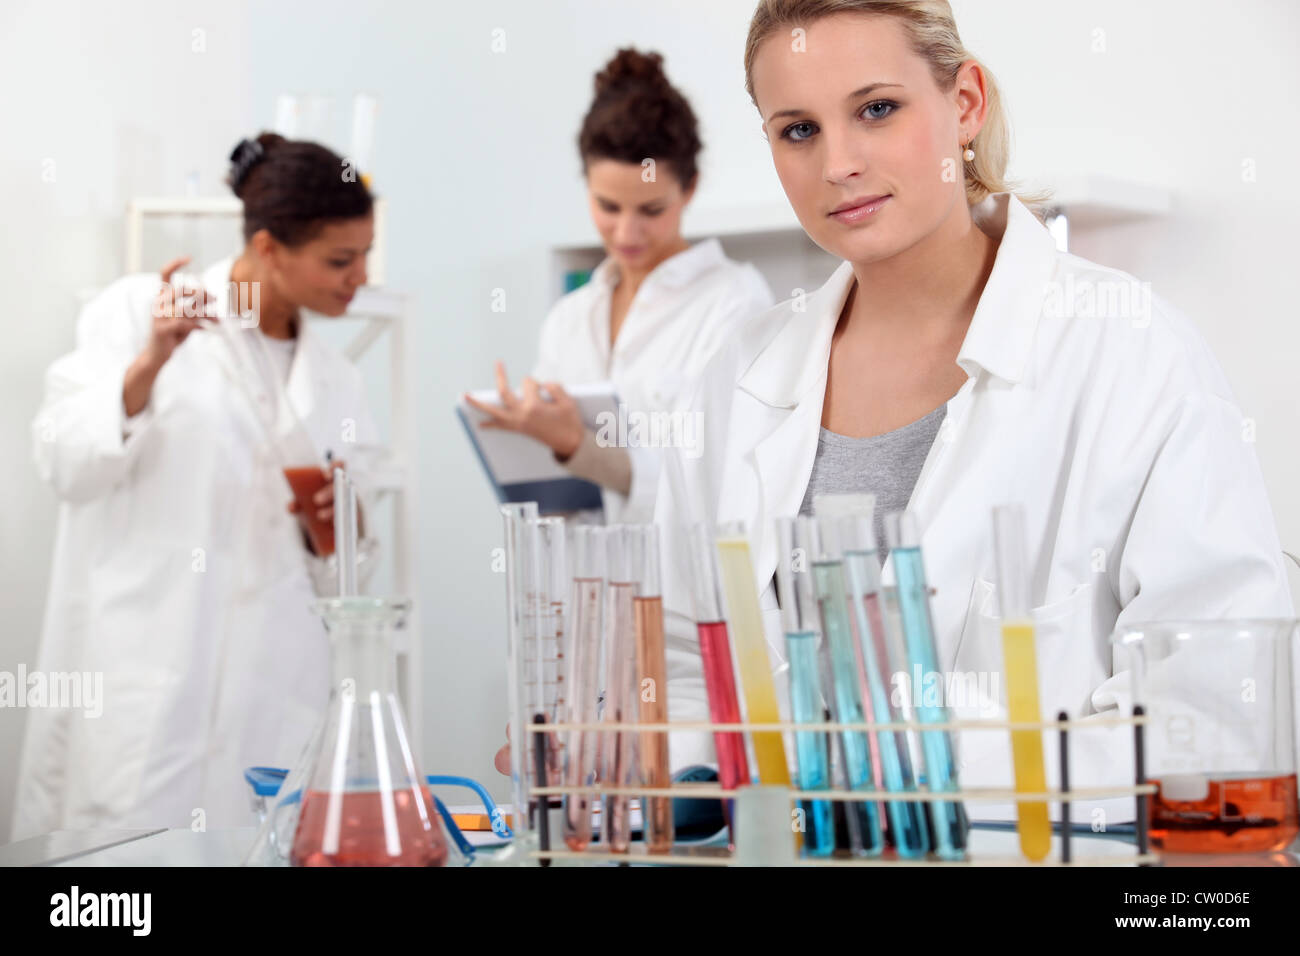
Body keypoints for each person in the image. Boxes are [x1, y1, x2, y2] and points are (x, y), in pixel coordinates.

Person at [652, 0, 1294, 825]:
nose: (838, 163)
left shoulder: (1132, 354)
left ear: (965, 104)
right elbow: (679, 670)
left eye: (876, 109)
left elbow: (1219, 729)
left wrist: (909, 757)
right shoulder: (735, 378)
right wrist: (630, 751)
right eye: (797, 130)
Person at [12, 133, 381, 838]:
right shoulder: (137, 313)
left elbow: (347, 583)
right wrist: (149, 365)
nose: (360, 275)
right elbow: (63, 461)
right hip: (145, 696)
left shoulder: (339, 379)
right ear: (269, 249)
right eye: (341, 259)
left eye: (365, 254)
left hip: (272, 702)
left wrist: (341, 523)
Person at [467, 47, 774, 527]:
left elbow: (720, 483)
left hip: (677, 592)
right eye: (608, 207)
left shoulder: (734, 302)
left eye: (651, 210)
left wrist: (579, 449)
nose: (627, 234)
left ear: (689, 188)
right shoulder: (571, 316)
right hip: (577, 586)